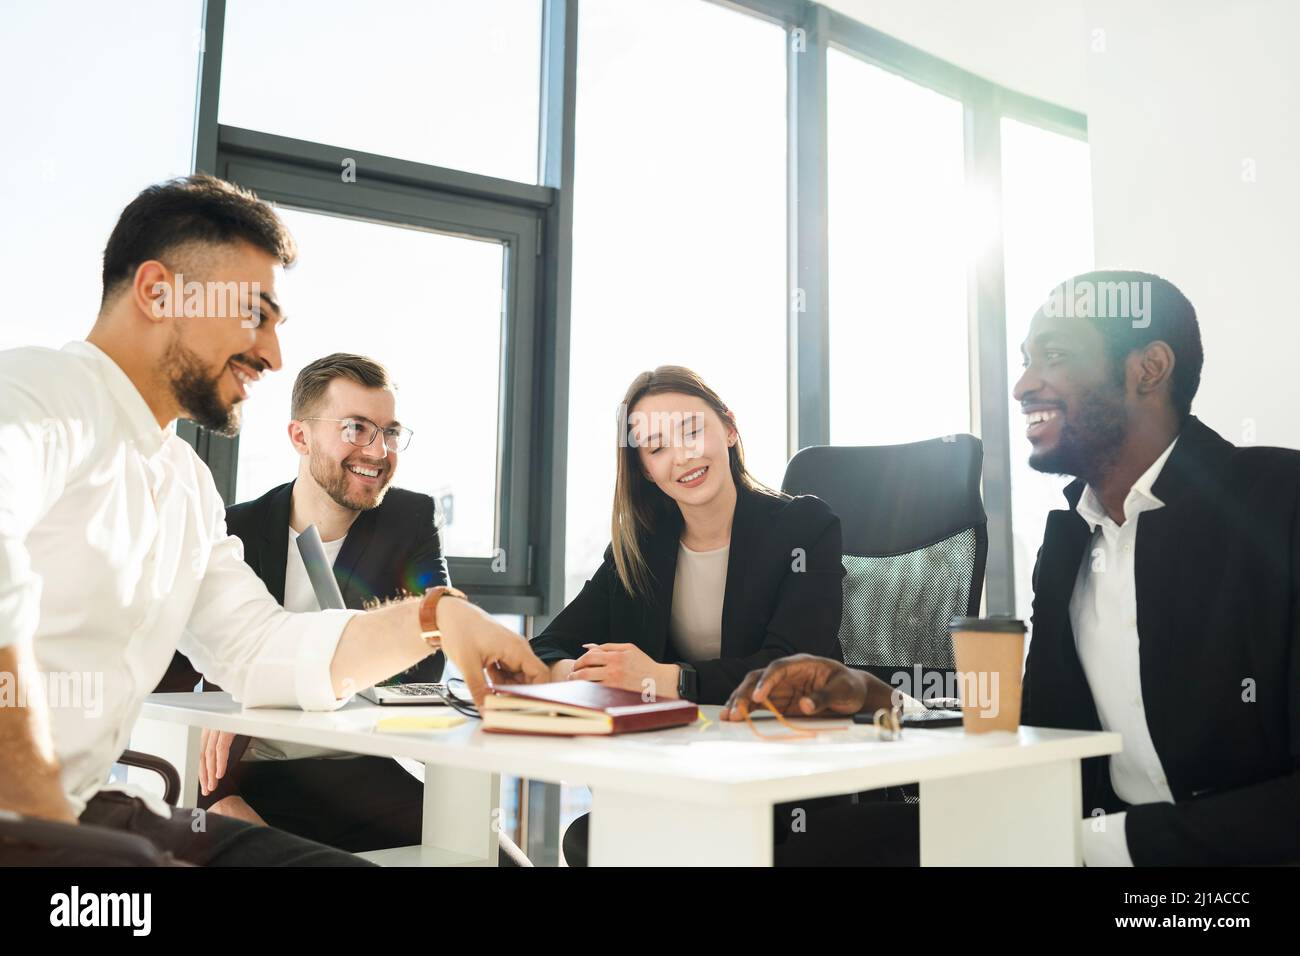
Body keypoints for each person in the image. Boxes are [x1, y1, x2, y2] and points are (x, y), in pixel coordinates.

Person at [0, 174, 546, 866]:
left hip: (91, 814)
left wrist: (436, 618)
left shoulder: (185, 486)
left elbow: (260, 650)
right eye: (253, 314)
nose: (272, 355)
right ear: (156, 291)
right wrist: (47, 830)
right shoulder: (39, 394)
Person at [722, 270, 1300, 867]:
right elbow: (1037, 735)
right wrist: (882, 701)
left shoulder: (1279, 505)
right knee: (810, 849)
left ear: (1148, 370)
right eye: (1026, 359)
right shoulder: (1072, 544)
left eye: (1054, 355)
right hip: (1080, 842)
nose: (1024, 384)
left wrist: (1088, 844)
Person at [529, 365, 845, 864]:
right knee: (590, 838)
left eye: (692, 430)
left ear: (730, 429)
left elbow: (792, 670)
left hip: (789, 786)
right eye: (655, 448)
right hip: (682, 782)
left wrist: (665, 680)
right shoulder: (639, 549)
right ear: (646, 472)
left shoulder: (805, 528)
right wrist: (579, 674)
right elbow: (544, 647)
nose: (682, 456)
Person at [164, 352, 444, 852]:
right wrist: (215, 797)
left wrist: (302, 681)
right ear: (300, 437)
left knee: (490, 857)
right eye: (356, 428)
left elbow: (426, 663)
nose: (378, 451)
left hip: (359, 768)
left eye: (390, 432)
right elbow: (179, 678)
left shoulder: (410, 518)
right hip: (250, 774)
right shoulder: (236, 530)